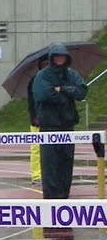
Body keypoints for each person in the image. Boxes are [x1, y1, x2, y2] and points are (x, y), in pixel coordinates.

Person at [29, 44, 88, 200]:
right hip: (49, 128)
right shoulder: (42, 76)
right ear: (51, 58)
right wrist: (66, 96)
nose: (59, 59)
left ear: (67, 58)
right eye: (56, 56)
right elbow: (42, 95)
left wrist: (62, 89)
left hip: (68, 126)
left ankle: (64, 196)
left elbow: (82, 91)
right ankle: (51, 198)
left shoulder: (72, 74)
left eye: (62, 56)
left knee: (66, 164)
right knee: (50, 165)